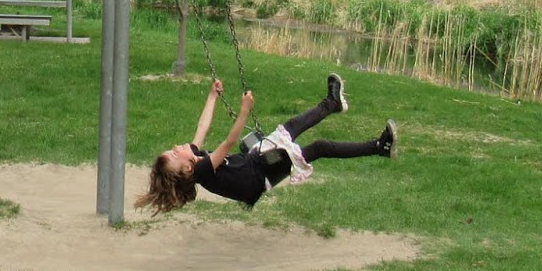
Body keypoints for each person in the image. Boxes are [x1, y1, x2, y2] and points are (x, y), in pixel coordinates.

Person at [136, 74, 398, 214]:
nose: (176, 147)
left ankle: (333, 103)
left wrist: (212, 97)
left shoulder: (195, 160)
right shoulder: (203, 171)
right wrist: (244, 110)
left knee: (292, 126)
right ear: (186, 169)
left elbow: (202, 127)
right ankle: (379, 146)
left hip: (254, 162)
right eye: (174, 153)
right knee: (319, 147)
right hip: (261, 175)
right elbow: (229, 142)